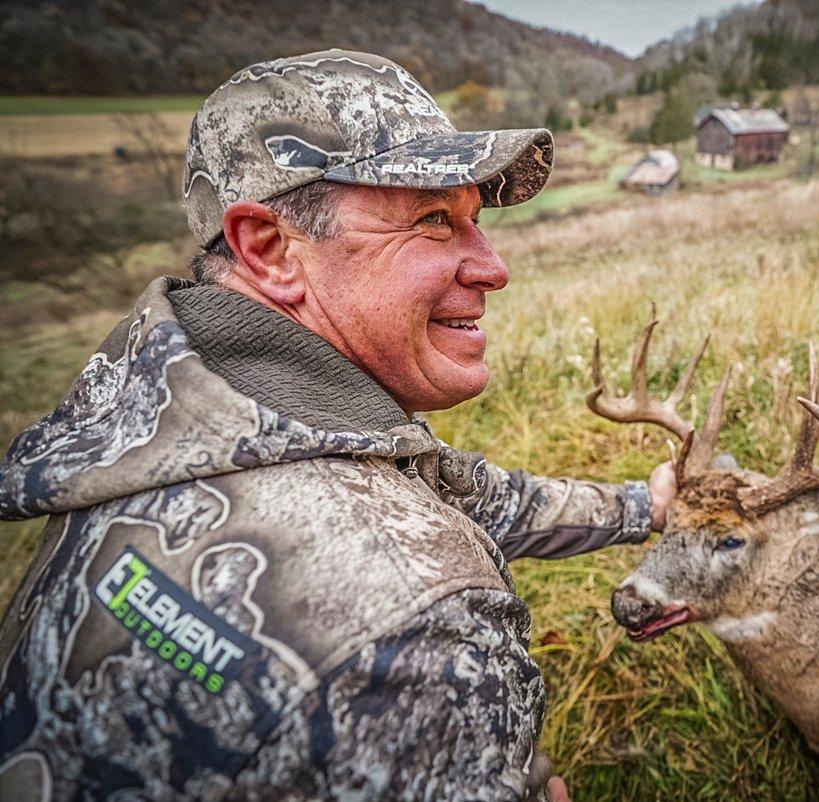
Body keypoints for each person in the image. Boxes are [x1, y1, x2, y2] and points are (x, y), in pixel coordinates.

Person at [0, 49, 675, 802]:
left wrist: (642, 507)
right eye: (432, 220)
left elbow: (448, 493)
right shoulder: (416, 632)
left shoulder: (164, 416)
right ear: (270, 247)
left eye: (473, 220)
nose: (493, 267)